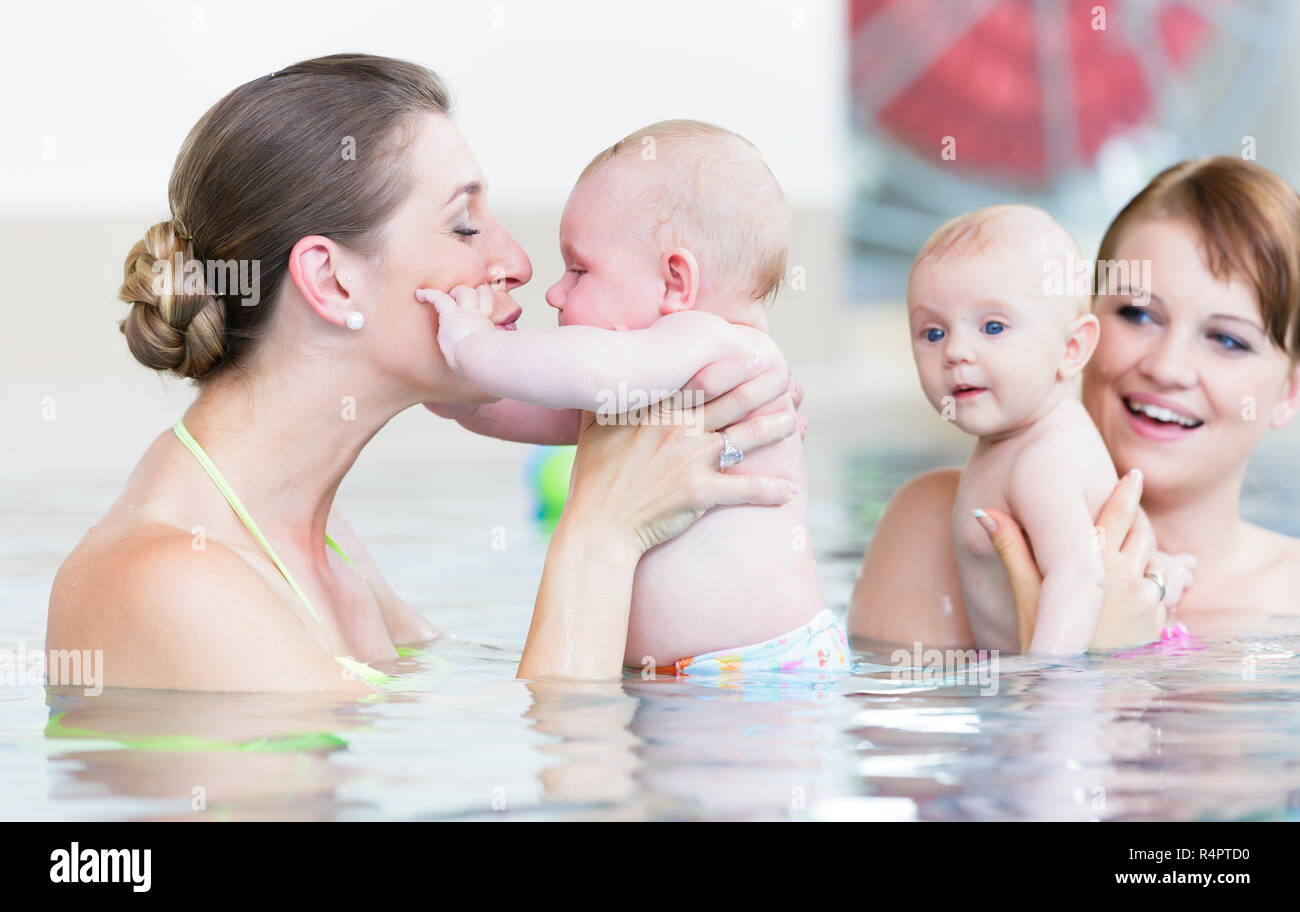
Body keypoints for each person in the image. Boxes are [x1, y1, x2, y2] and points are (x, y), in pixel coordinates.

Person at [46, 55, 802, 694]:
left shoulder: (308, 535)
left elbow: (460, 698)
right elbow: (572, 791)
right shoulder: (176, 583)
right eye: (464, 225)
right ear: (333, 281)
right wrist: (602, 533)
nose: (516, 263)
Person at [424, 120, 845, 676]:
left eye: (578, 270)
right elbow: (524, 406)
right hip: (706, 680)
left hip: (756, 673)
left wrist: (472, 343)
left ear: (675, 283)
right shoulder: (652, 383)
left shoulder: (714, 341)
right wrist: (457, 394)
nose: (554, 291)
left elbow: (590, 372)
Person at [850, 157, 1300, 650]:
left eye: (1227, 340)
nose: (1167, 368)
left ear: (1289, 393)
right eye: (1138, 314)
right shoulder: (938, 527)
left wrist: (1081, 665)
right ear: (1077, 335)